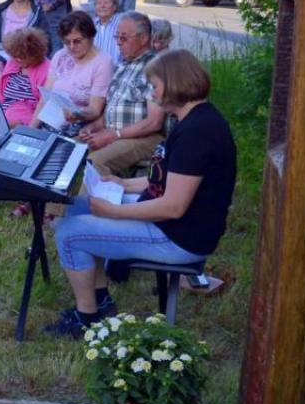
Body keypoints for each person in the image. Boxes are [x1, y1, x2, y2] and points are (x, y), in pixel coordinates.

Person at [45, 49, 236, 338]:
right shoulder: (193, 120)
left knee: (69, 232)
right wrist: (122, 184)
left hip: (179, 238)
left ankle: (87, 317)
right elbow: (165, 182)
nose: (152, 90)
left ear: (174, 84)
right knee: (75, 207)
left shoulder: (198, 133)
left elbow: (172, 207)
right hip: (172, 224)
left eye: (155, 84)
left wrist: (115, 212)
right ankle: (101, 298)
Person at [76, 11, 166, 177]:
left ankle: (93, 203)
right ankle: (51, 202)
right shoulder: (122, 65)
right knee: (66, 149)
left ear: (144, 38)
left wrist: (113, 135)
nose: (118, 43)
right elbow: (110, 109)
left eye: (124, 38)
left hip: (144, 138)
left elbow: (154, 123)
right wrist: (93, 128)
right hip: (114, 134)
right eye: (117, 37)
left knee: (95, 162)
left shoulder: (156, 67)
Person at [32, 11, 113, 138]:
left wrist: (77, 113)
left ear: (91, 37)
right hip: (50, 121)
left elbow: (95, 109)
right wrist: (30, 130)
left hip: (78, 128)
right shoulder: (60, 56)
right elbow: (44, 100)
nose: (71, 46)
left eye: (77, 41)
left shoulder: (102, 62)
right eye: (67, 41)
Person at [0, 27, 50, 128]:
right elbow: (0, 91)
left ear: (34, 54)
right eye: (14, 56)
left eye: (22, 56)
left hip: (25, 117)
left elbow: (43, 105)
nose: (17, 59)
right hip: (4, 110)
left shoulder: (46, 69)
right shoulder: (13, 62)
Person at [91, 0, 124, 66]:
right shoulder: (91, 25)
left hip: (116, 70)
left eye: (106, 3)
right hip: (96, 71)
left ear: (114, 7)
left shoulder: (122, 22)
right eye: (99, 3)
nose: (102, 6)